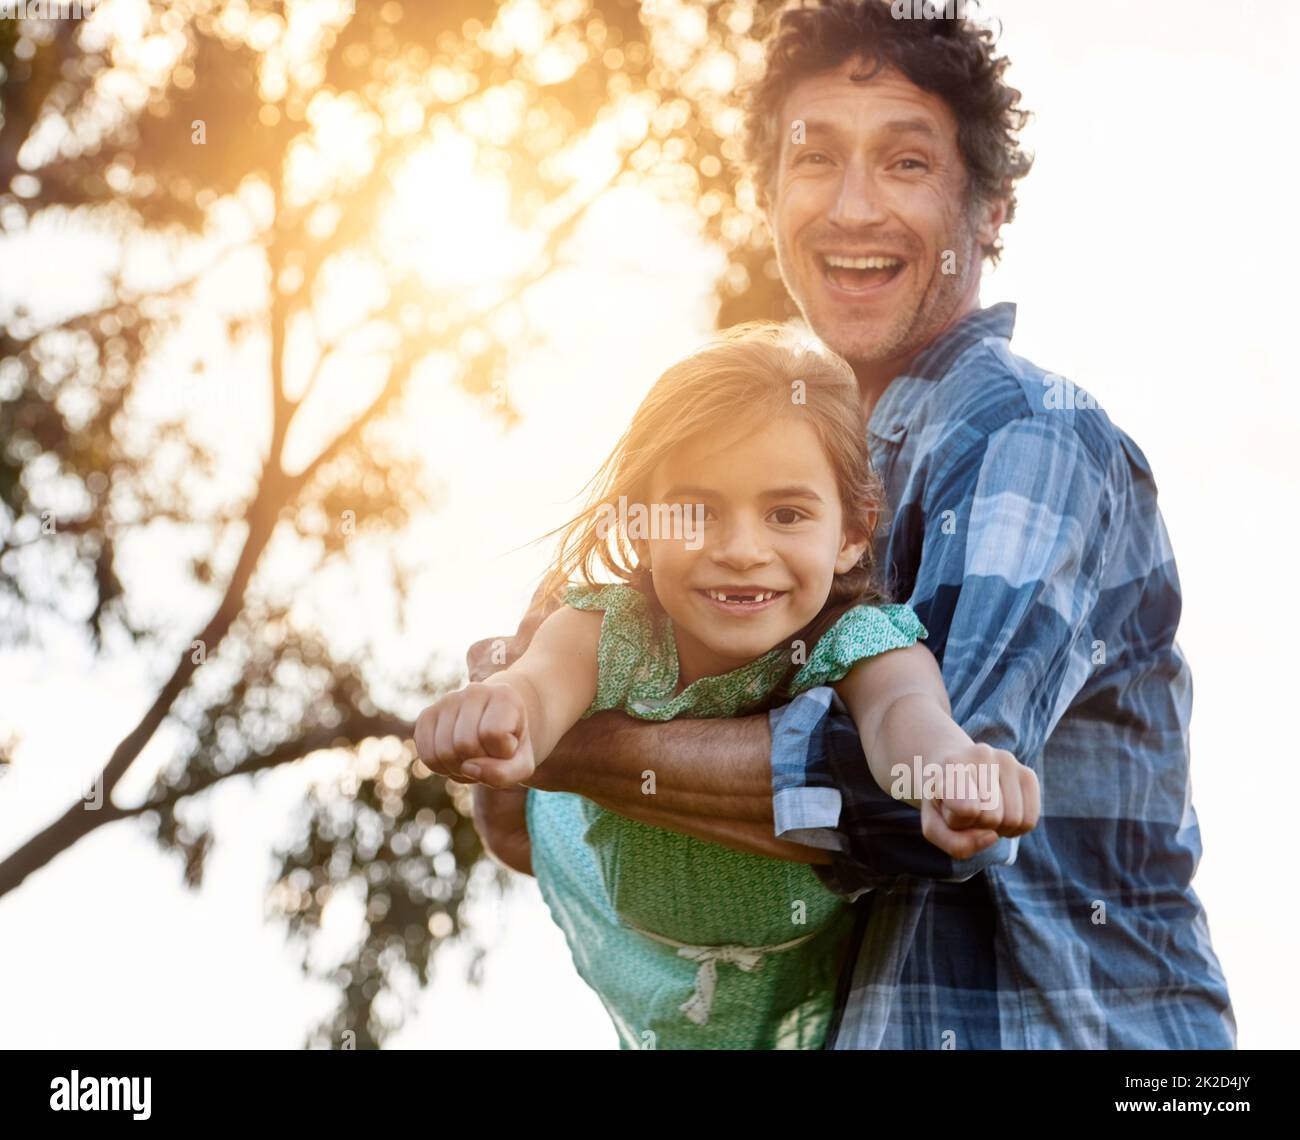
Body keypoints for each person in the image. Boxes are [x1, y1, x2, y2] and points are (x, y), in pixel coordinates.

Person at [454, 0, 1237, 1048]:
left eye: (906, 163)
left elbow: (909, 805)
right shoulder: (757, 475)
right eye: (813, 159)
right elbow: (528, 831)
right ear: (770, 195)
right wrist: (526, 715)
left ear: (990, 204)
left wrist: (559, 734)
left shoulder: (1024, 434)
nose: (852, 208)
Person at [415, 325, 1038, 1049]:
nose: (741, 550)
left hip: (796, 970)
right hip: (643, 945)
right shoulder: (609, 627)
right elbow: (539, 684)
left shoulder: (856, 638)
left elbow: (905, 710)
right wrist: (499, 710)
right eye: (695, 513)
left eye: (787, 514)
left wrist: (949, 768)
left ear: (852, 534)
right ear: (641, 528)